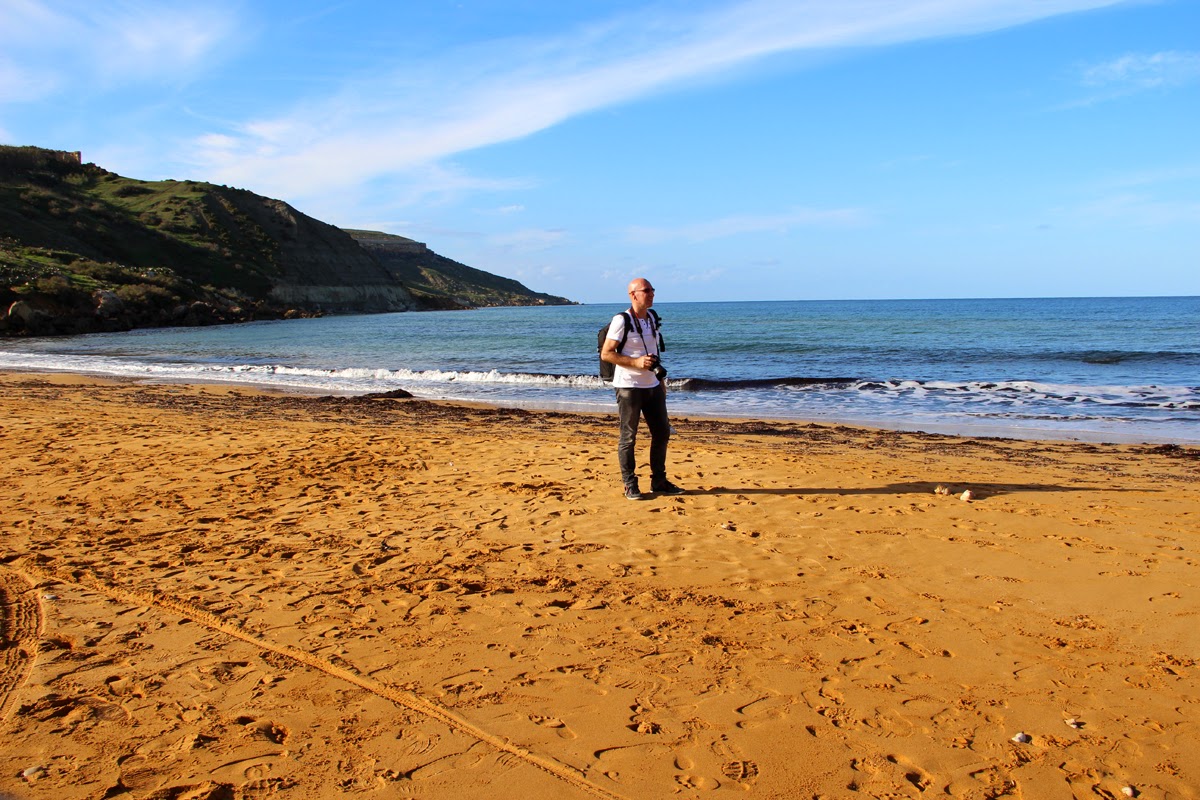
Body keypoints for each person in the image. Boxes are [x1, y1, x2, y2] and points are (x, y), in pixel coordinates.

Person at [600, 278, 685, 500]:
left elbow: (654, 351)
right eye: (646, 290)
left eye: (652, 290)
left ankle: (659, 481)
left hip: (653, 385)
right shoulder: (622, 320)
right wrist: (636, 363)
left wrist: (661, 383)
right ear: (633, 295)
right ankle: (630, 484)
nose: (652, 294)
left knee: (662, 433)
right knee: (629, 437)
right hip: (629, 386)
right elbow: (606, 353)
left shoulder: (653, 318)